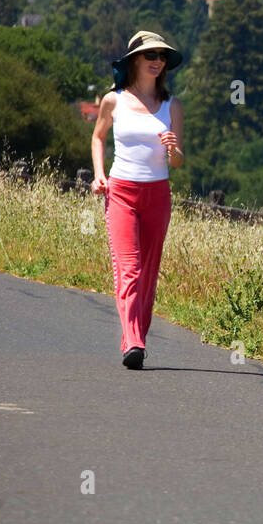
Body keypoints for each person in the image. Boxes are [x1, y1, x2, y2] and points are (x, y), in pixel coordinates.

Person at [90, 31, 185, 370]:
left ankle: (136, 336)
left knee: (148, 273)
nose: (157, 60)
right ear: (134, 61)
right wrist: (99, 174)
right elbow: (98, 137)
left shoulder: (172, 105)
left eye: (161, 55)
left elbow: (178, 161)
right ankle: (133, 341)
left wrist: (174, 148)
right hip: (121, 192)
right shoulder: (112, 101)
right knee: (128, 268)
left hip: (158, 194)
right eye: (150, 55)